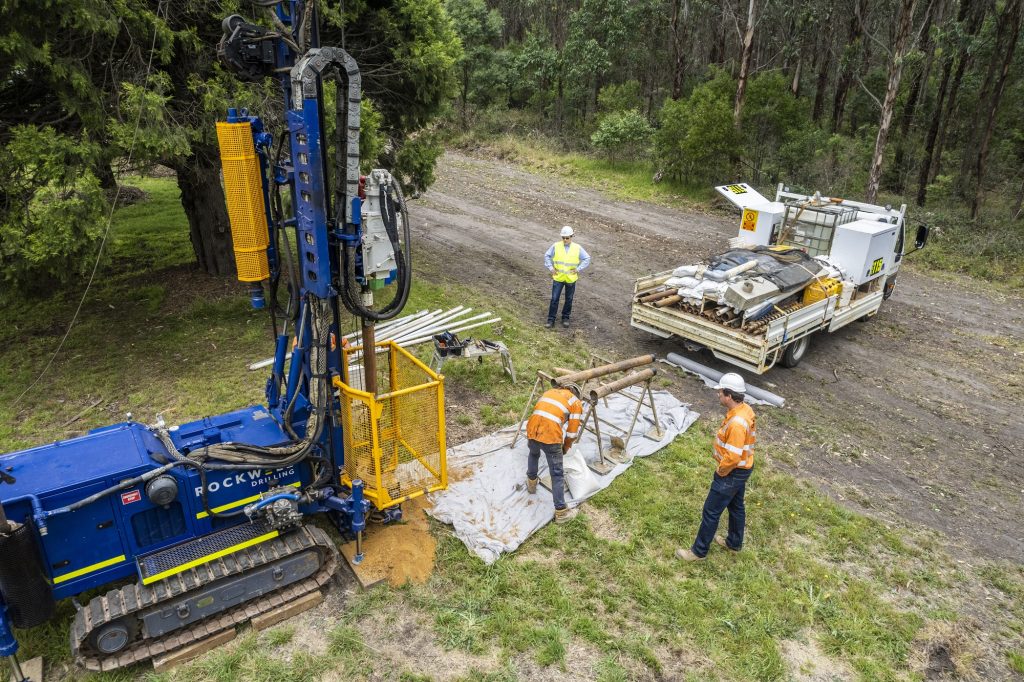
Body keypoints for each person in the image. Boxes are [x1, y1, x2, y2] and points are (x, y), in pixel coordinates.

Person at [676, 372, 756, 561]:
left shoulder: (737, 423)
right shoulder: (744, 409)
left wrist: (722, 471)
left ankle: (698, 552)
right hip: (744, 468)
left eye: (720, 392)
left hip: (732, 472)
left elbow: (733, 457)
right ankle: (734, 543)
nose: (718, 394)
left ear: (729, 395)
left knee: (711, 511)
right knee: (736, 506)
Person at [525, 386, 584, 523]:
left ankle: (531, 484)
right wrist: (566, 447)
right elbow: (572, 433)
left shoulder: (549, 392)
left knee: (533, 454)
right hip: (551, 435)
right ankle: (561, 512)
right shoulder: (575, 402)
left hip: (532, 429)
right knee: (557, 474)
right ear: (576, 394)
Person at [544, 225, 591, 328]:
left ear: (571, 236)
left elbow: (587, 258)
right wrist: (551, 268)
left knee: (569, 299)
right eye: (563, 238)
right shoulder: (556, 246)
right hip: (558, 277)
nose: (565, 240)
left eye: (567, 238)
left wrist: (578, 269)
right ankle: (551, 320)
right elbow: (547, 255)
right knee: (554, 299)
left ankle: (565, 318)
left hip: (570, 279)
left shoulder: (577, 248)